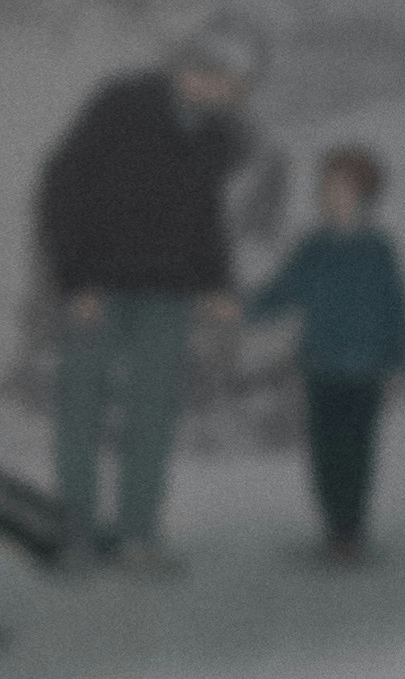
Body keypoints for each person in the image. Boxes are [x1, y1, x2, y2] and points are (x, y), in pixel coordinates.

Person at [36, 29, 255, 564]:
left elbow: (207, 218)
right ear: (190, 71)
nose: (227, 91)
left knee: (153, 416)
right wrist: (75, 280)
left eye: (234, 84)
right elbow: (62, 184)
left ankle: (137, 535)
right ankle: (77, 536)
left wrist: (218, 285)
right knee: (82, 413)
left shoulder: (216, 137)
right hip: (98, 287)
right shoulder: (120, 104)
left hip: (169, 293)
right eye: (220, 77)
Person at [243, 147, 405, 564]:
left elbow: (396, 307)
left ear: (364, 193)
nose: (332, 194)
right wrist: (242, 309)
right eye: (327, 186)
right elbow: (282, 292)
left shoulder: (379, 248)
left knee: (358, 453)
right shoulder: (314, 246)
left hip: (366, 370)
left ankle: (350, 535)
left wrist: (404, 362)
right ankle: (335, 532)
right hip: (321, 366)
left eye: (342, 186)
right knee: (325, 454)